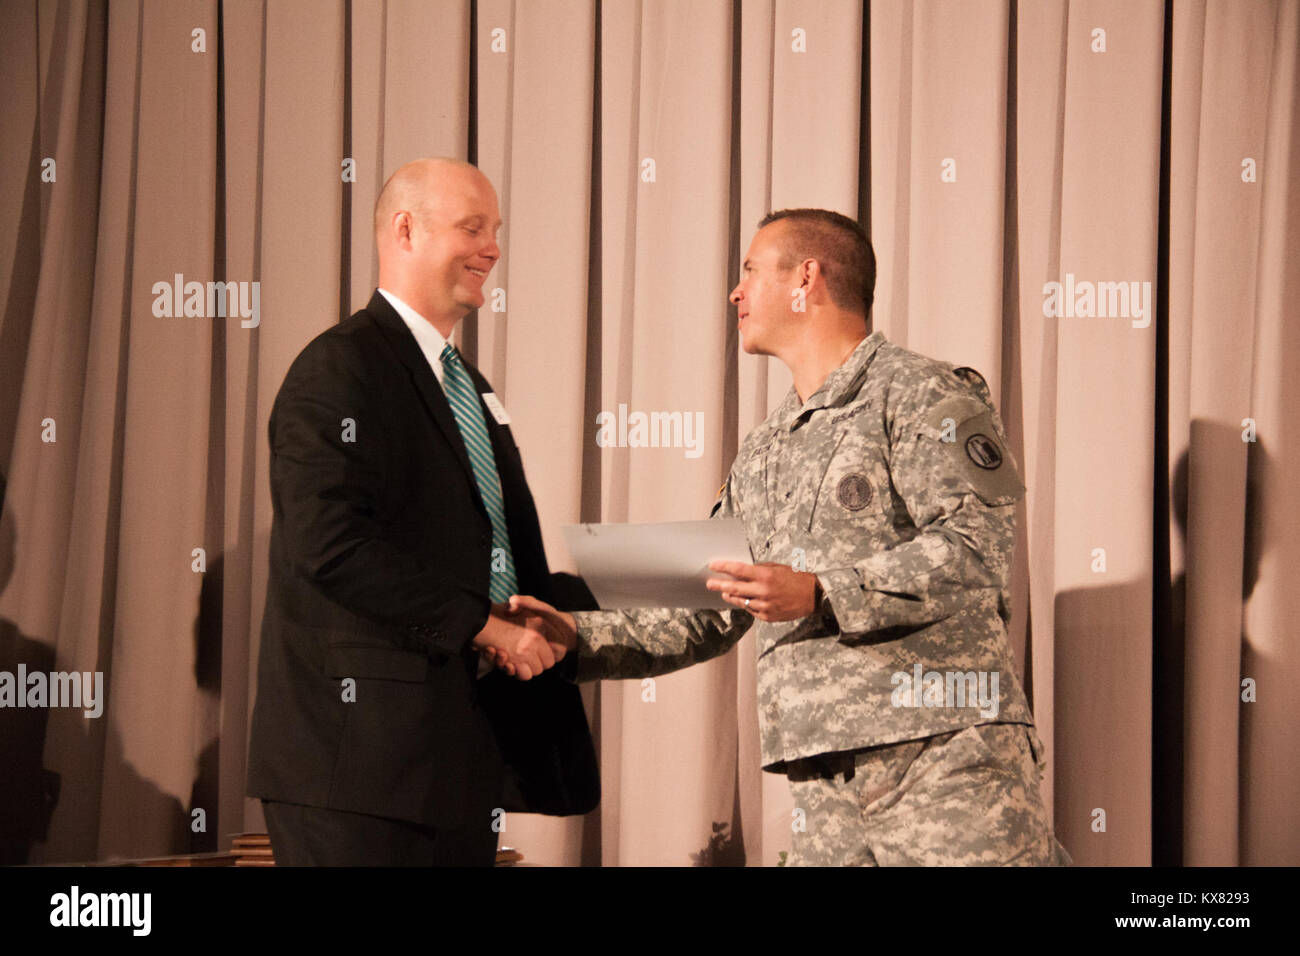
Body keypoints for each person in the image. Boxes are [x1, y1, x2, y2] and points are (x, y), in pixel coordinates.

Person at [502, 209, 1071, 866]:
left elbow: (978, 548)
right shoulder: (765, 450)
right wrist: (576, 637)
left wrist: (824, 591)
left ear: (807, 278)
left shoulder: (929, 393)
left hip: (946, 756)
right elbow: (712, 606)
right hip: (822, 775)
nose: (735, 293)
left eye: (750, 271)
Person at [246, 158, 598, 866]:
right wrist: (483, 624)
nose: (492, 248)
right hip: (358, 769)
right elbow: (330, 543)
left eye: (495, 231)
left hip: (457, 762)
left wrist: (596, 600)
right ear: (404, 230)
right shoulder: (340, 368)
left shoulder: (467, 386)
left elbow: (480, 552)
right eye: (473, 227)